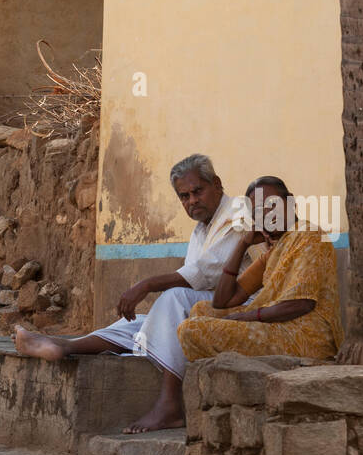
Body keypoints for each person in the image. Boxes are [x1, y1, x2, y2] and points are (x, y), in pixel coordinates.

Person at [15, 153, 250, 432]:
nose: (192, 201)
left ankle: (170, 405)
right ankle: (65, 346)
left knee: (173, 299)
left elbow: (204, 273)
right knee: (142, 321)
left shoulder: (238, 213)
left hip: (242, 305)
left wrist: (146, 285)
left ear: (217, 185)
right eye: (184, 197)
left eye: (197, 191)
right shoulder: (201, 228)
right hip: (211, 306)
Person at [178, 176, 344, 363]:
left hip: (305, 336)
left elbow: (301, 304)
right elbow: (223, 301)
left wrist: (246, 317)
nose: (266, 214)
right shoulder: (275, 248)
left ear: (290, 201)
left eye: (271, 204)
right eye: (257, 211)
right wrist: (243, 243)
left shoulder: (309, 236)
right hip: (277, 328)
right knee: (201, 310)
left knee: (191, 329)